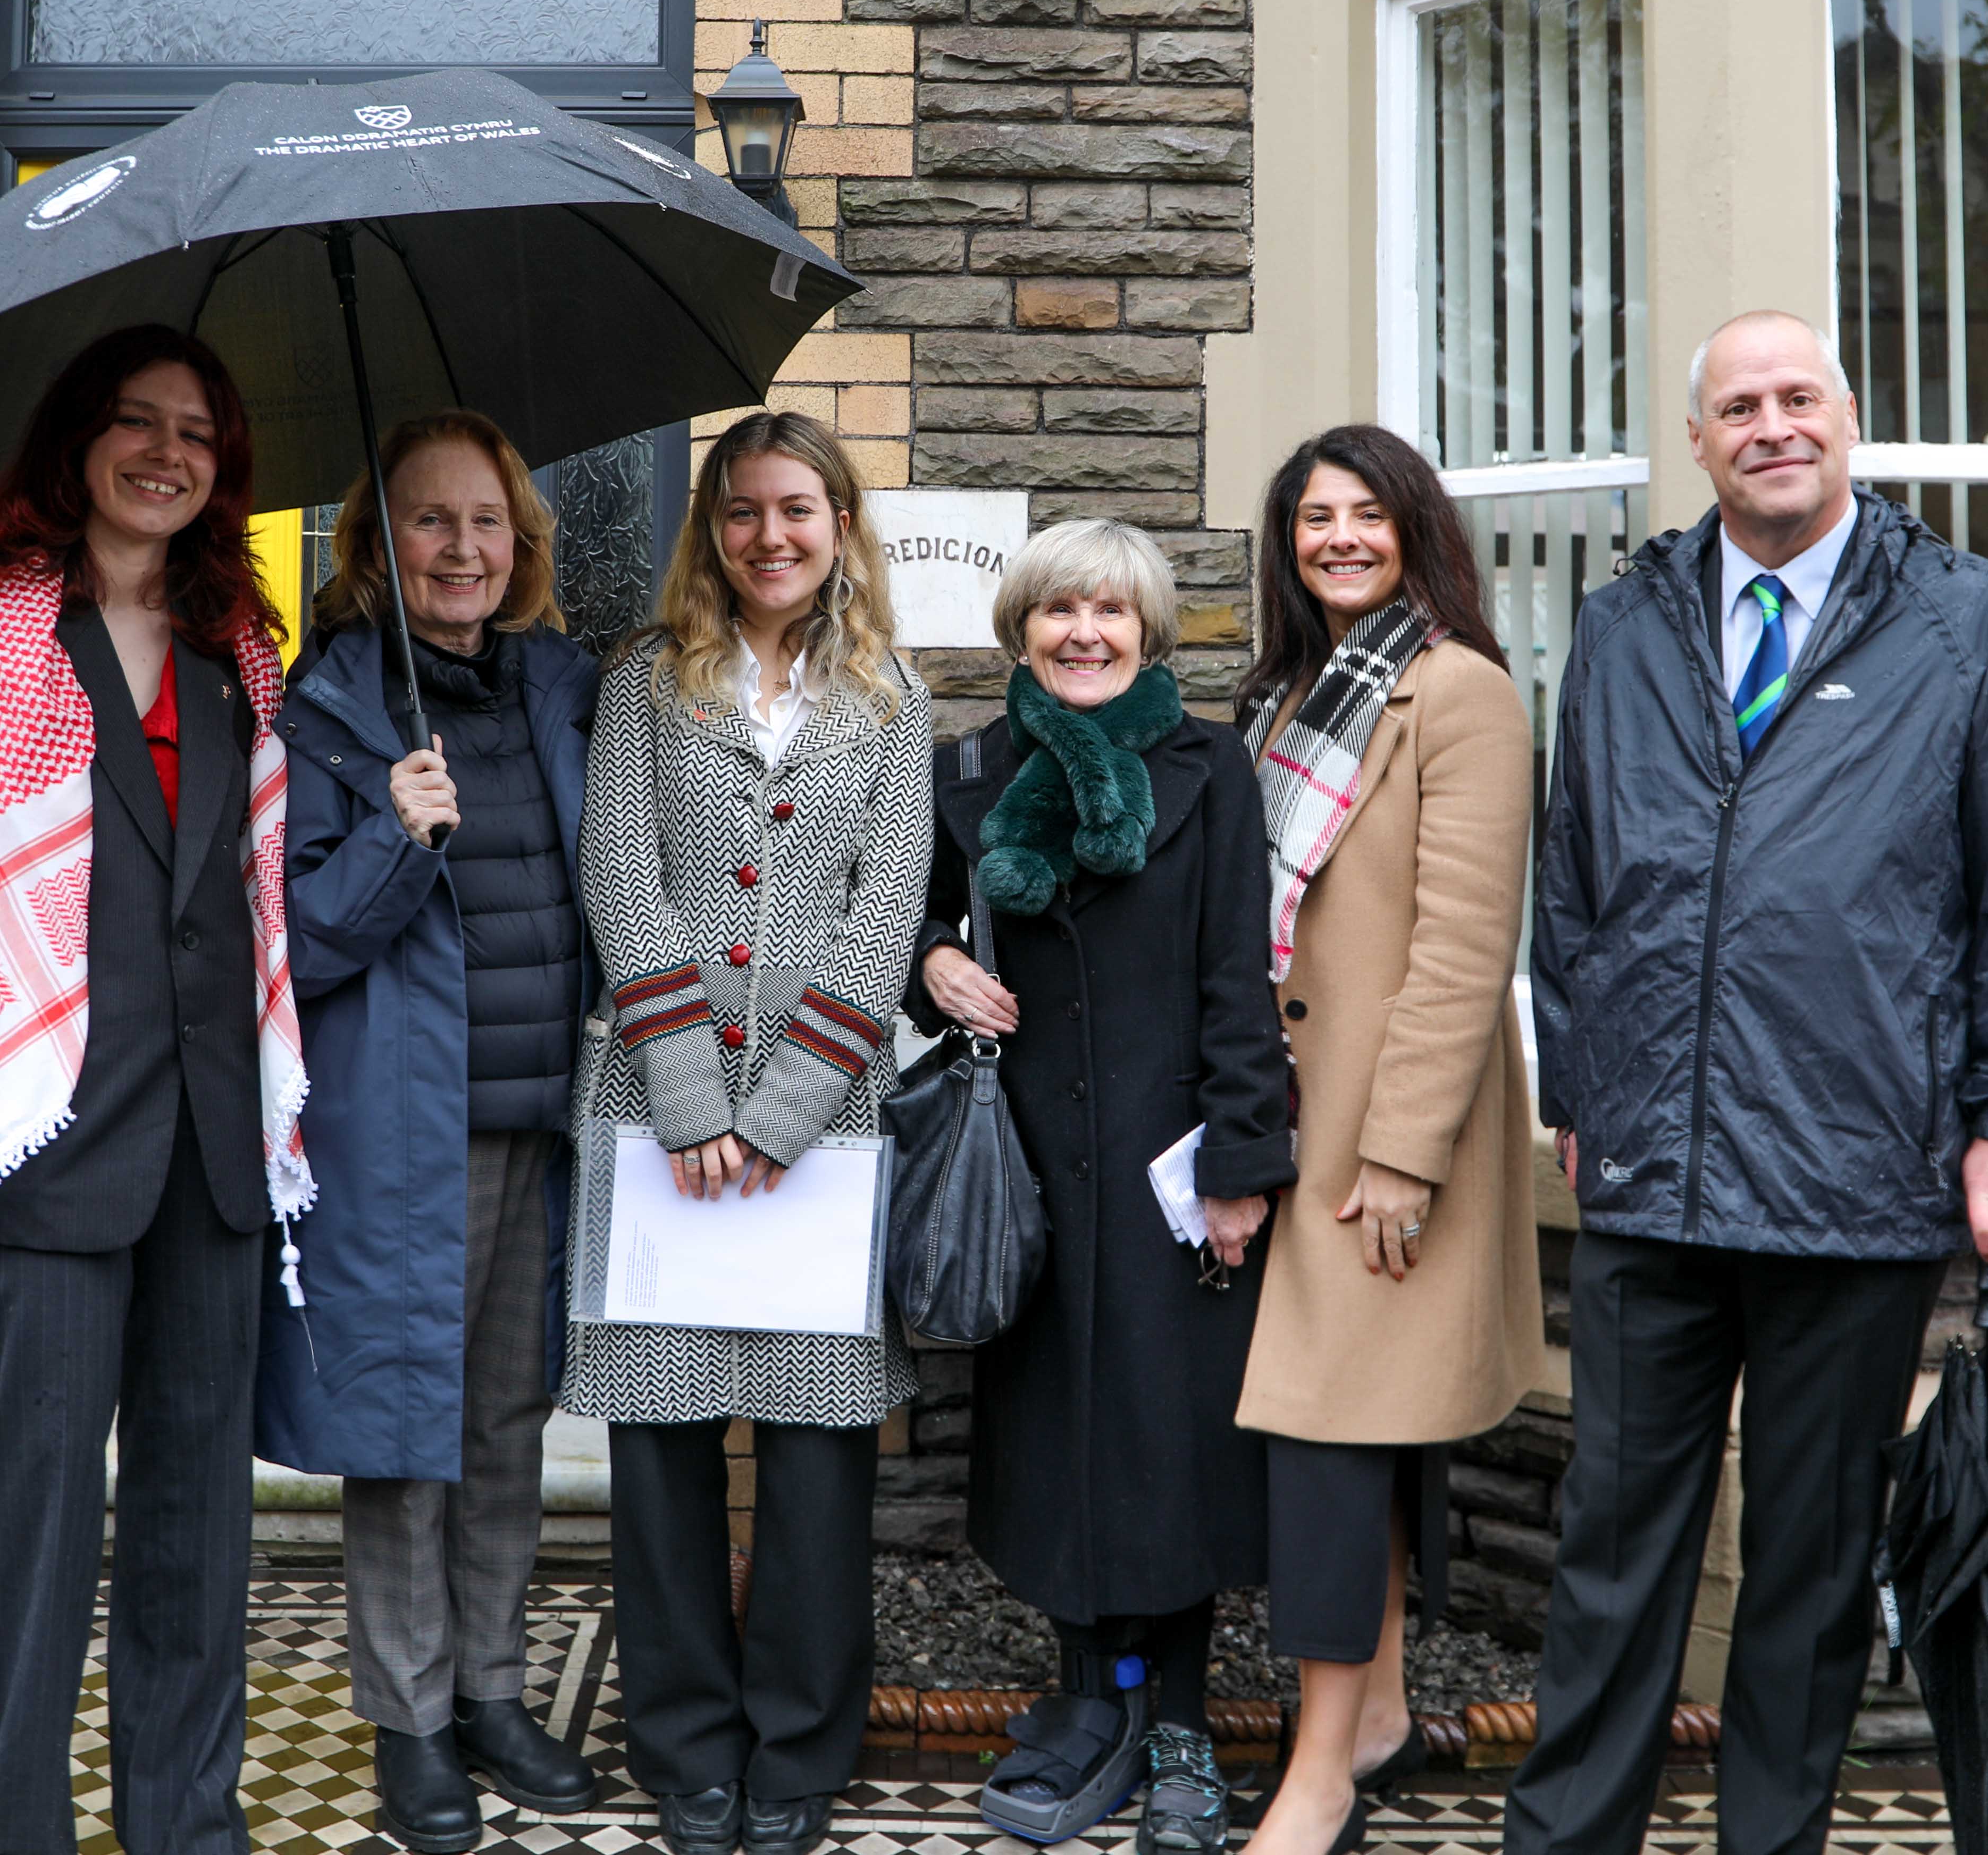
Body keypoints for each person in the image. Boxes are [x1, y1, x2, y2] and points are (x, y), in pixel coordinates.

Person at [1504, 310, 1988, 1855]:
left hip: (1861, 1160)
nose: (1771, 425)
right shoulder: (1628, 620)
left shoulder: (1968, 617)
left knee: (1812, 1559)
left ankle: (1769, 1841)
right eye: (1736, 406)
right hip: (1650, 1163)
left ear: (1849, 418)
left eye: (1798, 396)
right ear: (1696, 445)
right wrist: (1577, 1081)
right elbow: (1570, 879)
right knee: (1613, 1549)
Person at [0, 325, 310, 1855]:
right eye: (139, 425)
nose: (168, 455)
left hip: (215, 1146)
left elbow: (255, 891)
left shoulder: (246, 647)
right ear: (79, 441)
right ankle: (5, 1821)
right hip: (54, 1136)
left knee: (195, 1517)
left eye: (200, 437)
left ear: (224, 473)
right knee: (30, 1508)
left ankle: (188, 1823)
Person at [561, 411, 934, 1855]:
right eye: (740, 512)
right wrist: (693, 1100)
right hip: (653, 1115)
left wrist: (775, 1115)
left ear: (839, 521)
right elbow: (622, 875)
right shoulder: (645, 687)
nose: (768, 536)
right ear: (708, 529)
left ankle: (797, 1741)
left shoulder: (893, 699)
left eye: (796, 508)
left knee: (814, 1451)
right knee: (660, 1451)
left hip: (825, 1126)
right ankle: (684, 1745)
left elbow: (888, 905)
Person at [908, 520, 1294, 1855]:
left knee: (1166, 1447)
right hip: (1025, 1172)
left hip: (1167, 1170)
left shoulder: (1207, 770)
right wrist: (936, 968)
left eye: (1110, 613)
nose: (1084, 632)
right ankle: (1092, 1704)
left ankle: (1179, 1720)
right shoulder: (968, 769)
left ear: (1148, 633)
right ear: (1021, 627)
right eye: (1059, 609)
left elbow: (1237, 981)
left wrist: (1243, 1167)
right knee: (1053, 1436)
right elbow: (917, 924)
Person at [255, 411, 602, 1851]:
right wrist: (395, 831)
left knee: (506, 1416)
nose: (462, 548)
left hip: (546, 1115)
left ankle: (495, 1691)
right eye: (428, 520)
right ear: (372, 541)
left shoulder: (561, 687)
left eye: (486, 521)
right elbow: (299, 941)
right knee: (407, 1423)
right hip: (407, 1126)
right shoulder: (324, 707)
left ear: (520, 542)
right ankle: (409, 1718)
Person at [1234, 426, 1548, 1855]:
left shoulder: (1457, 690)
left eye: (1367, 512)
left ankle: (1316, 1773)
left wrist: (1403, 1151)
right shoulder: (1286, 690)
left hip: (1383, 1129)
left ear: (1415, 528)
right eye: (1314, 516)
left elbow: (1467, 940)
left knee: (1325, 1441)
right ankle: (1374, 1709)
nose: (1340, 536)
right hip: (1286, 1122)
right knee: (1348, 1436)